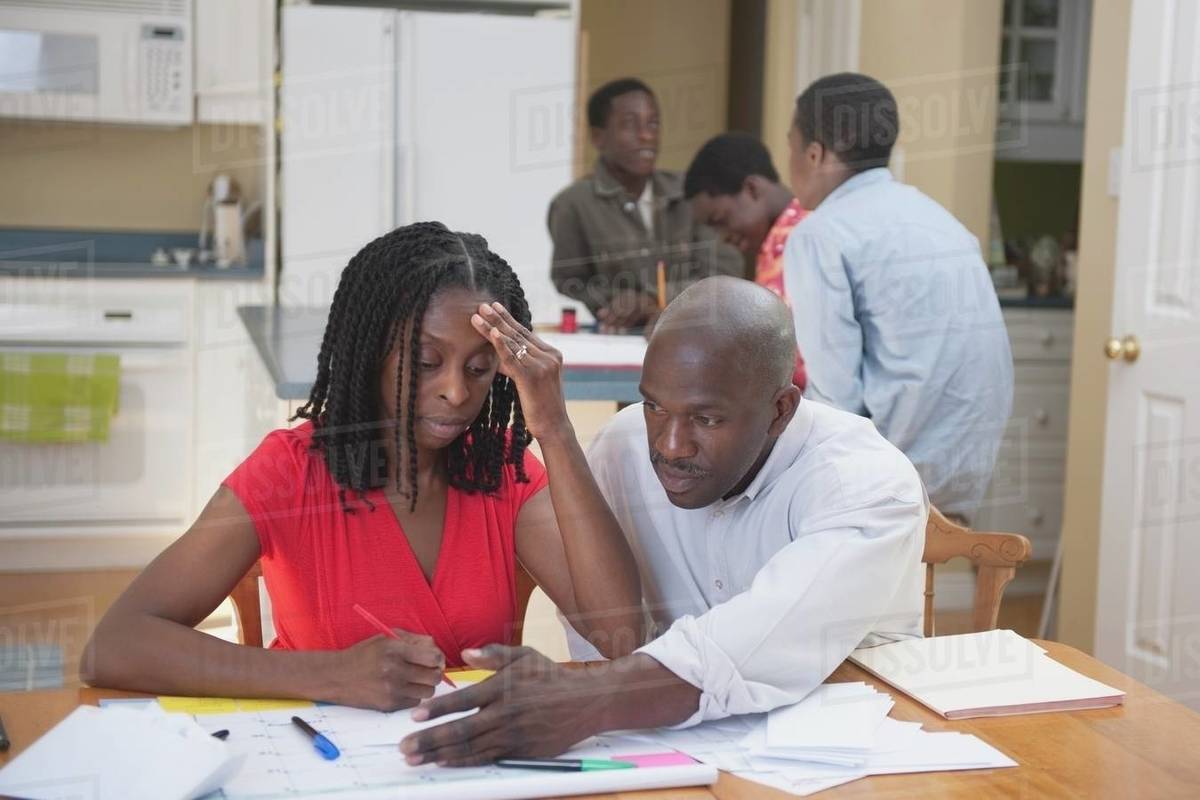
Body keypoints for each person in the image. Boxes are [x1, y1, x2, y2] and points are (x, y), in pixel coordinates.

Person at [83, 222, 642, 710]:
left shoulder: (502, 470)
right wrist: (329, 675)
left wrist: (555, 430)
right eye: (426, 362)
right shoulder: (289, 472)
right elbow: (115, 645)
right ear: (373, 350)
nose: (455, 391)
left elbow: (621, 637)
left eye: (479, 368)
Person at [398, 277, 926, 765]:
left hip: (851, 761)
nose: (670, 447)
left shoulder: (863, 483)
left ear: (781, 410)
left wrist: (590, 697)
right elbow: (613, 641)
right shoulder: (624, 447)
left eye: (706, 418)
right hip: (665, 757)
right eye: (654, 407)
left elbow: (760, 643)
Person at [783, 72, 1013, 521]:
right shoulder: (939, 219)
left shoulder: (819, 235)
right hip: (966, 477)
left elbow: (836, 401)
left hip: (892, 484)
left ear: (814, 154)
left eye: (790, 145)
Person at [548, 77, 743, 332]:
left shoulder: (692, 193)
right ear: (598, 138)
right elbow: (569, 280)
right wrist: (617, 302)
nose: (646, 135)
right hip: (615, 340)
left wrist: (654, 299)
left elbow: (725, 274)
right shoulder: (572, 205)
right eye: (630, 125)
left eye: (653, 124)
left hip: (696, 336)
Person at [684, 132, 809, 389]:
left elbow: (787, 358)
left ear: (751, 189)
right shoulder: (775, 243)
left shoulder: (803, 240)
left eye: (720, 221)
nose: (722, 238)